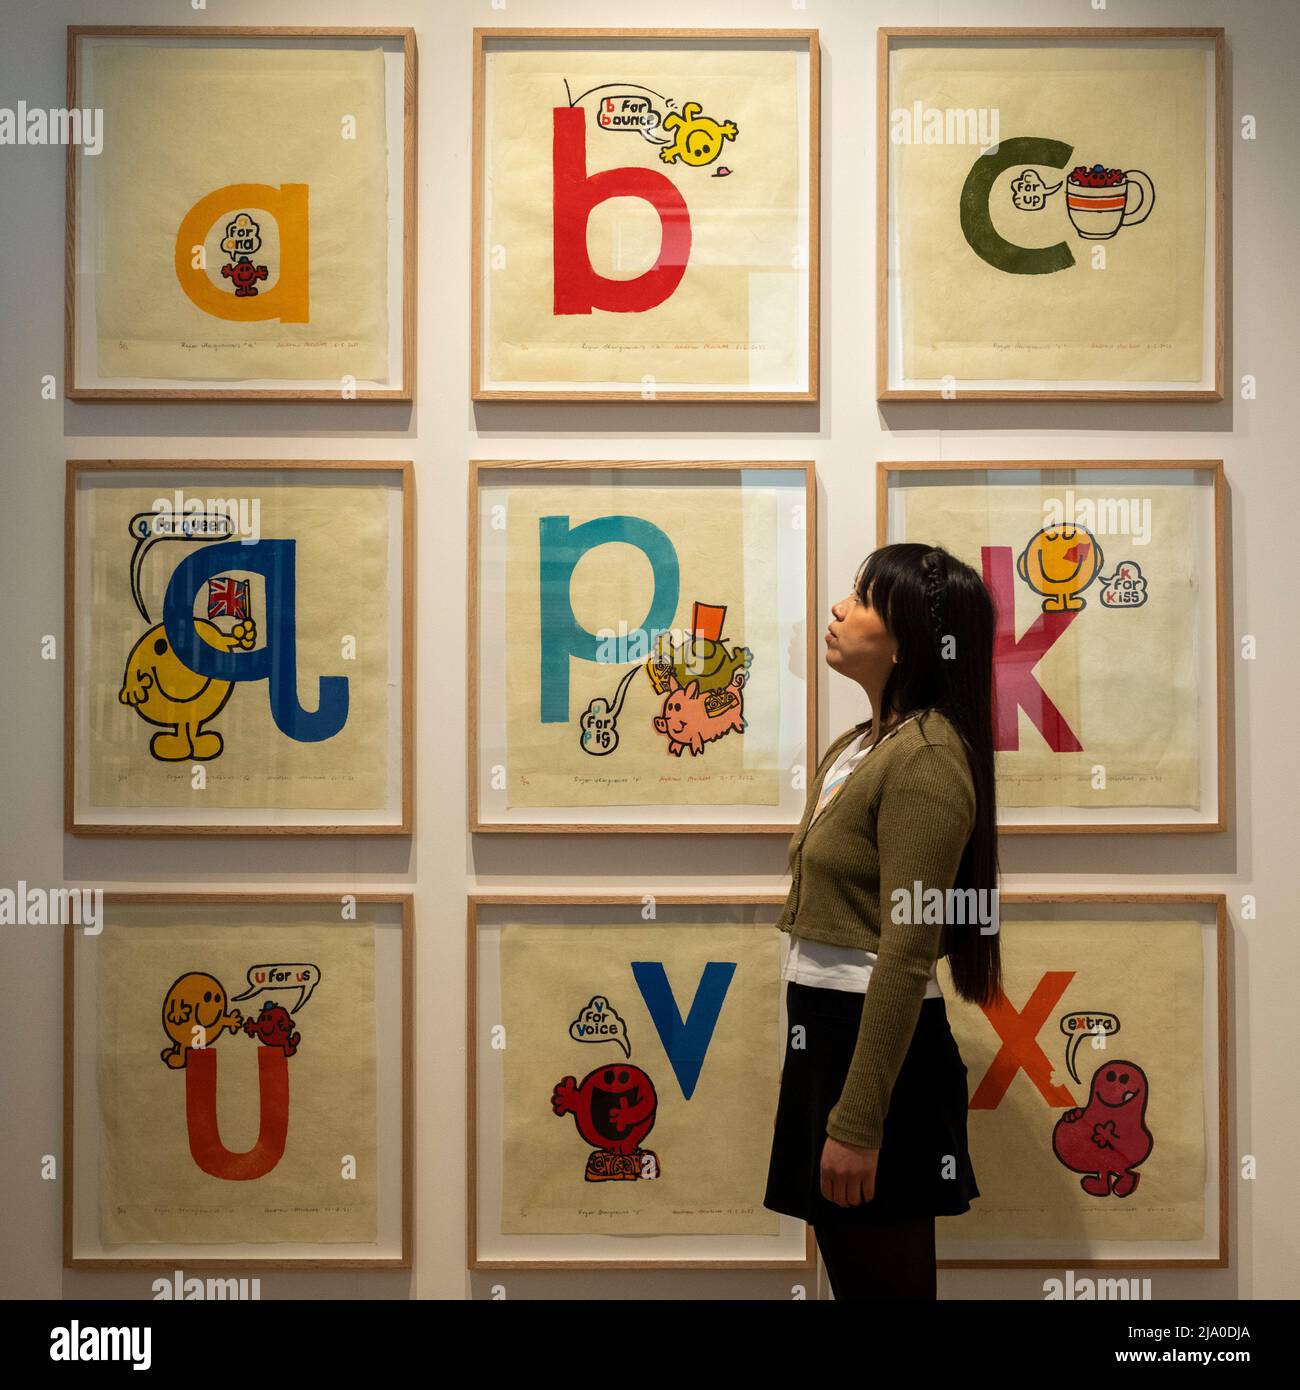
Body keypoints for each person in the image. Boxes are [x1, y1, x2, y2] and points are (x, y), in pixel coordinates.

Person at [763, 542, 1003, 1300]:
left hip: (875, 1053)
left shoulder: (926, 758)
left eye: (863, 598)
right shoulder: (862, 747)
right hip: (831, 1036)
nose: (838, 609)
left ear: (906, 640)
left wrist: (861, 1119)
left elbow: (905, 953)